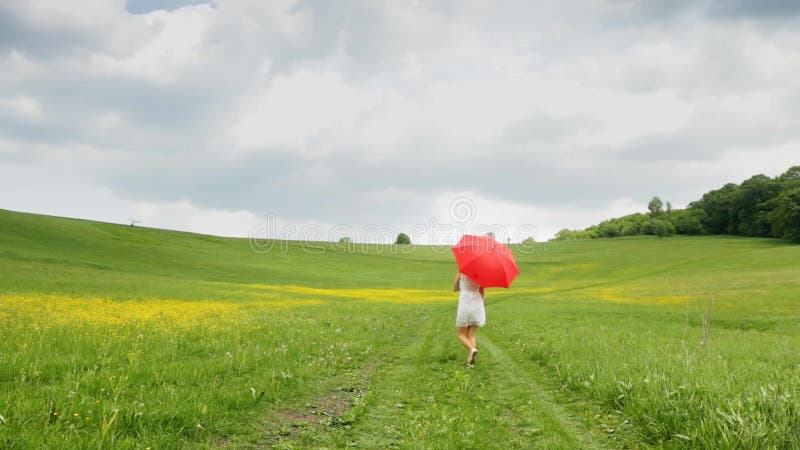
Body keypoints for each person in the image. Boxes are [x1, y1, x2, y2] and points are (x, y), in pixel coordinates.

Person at [453, 272, 485, 367]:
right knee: (471, 334)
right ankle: (471, 361)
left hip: (465, 303)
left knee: (461, 334)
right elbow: (482, 292)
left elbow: (455, 289)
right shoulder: (480, 274)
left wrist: (459, 281)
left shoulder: (461, 272)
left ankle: (472, 349)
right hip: (477, 303)